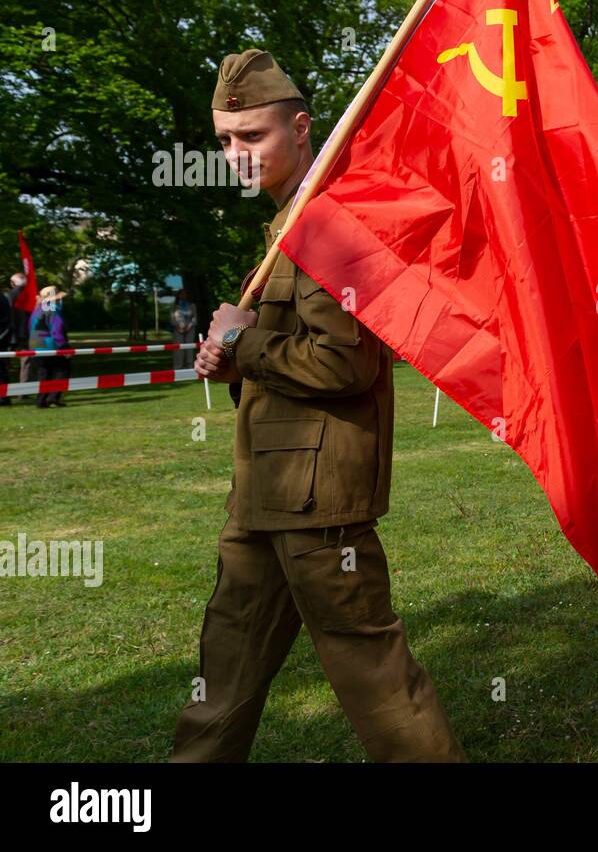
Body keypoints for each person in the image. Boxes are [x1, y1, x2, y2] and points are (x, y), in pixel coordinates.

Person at [171, 49, 464, 763]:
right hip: (264, 494)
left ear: (301, 129)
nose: (236, 154)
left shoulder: (330, 225)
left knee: (376, 678)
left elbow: (345, 362)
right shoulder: (285, 226)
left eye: (253, 137)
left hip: (319, 502)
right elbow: (284, 357)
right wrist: (235, 353)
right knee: (225, 672)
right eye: (223, 141)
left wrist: (244, 347)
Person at [30, 286, 70, 408]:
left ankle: (41, 400)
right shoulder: (52, 310)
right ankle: (54, 397)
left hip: (36, 346)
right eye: (59, 298)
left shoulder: (37, 310)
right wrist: (64, 347)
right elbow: (57, 330)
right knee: (62, 369)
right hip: (50, 346)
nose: (60, 301)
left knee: (44, 374)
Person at [9, 274, 32, 387]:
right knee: (25, 361)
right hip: (26, 333)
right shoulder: (30, 295)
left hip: (11, 333)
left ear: (13, 283)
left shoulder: (10, 295)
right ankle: (23, 389)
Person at [170, 288, 198, 370]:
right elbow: (172, 319)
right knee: (178, 349)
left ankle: (189, 366)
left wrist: (189, 327)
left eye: (184, 294)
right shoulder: (174, 306)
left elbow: (194, 318)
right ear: (178, 295)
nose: (183, 295)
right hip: (177, 330)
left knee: (189, 348)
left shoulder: (192, 306)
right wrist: (178, 327)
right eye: (181, 294)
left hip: (190, 330)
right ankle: (178, 366)